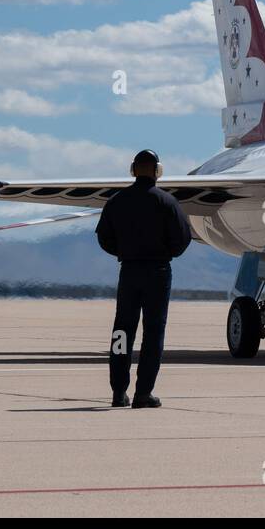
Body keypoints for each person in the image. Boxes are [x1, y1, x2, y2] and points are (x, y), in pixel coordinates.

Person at [96, 149, 193, 408]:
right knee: (153, 333)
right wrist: (162, 253)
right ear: (157, 171)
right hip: (158, 273)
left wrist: (126, 252)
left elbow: (104, 238)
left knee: (122, 332)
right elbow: (183, 240)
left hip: (129, 271)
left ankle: (118, 392)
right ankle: (143, 393)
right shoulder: (167, 202)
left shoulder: (117, 200)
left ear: (133, 169)